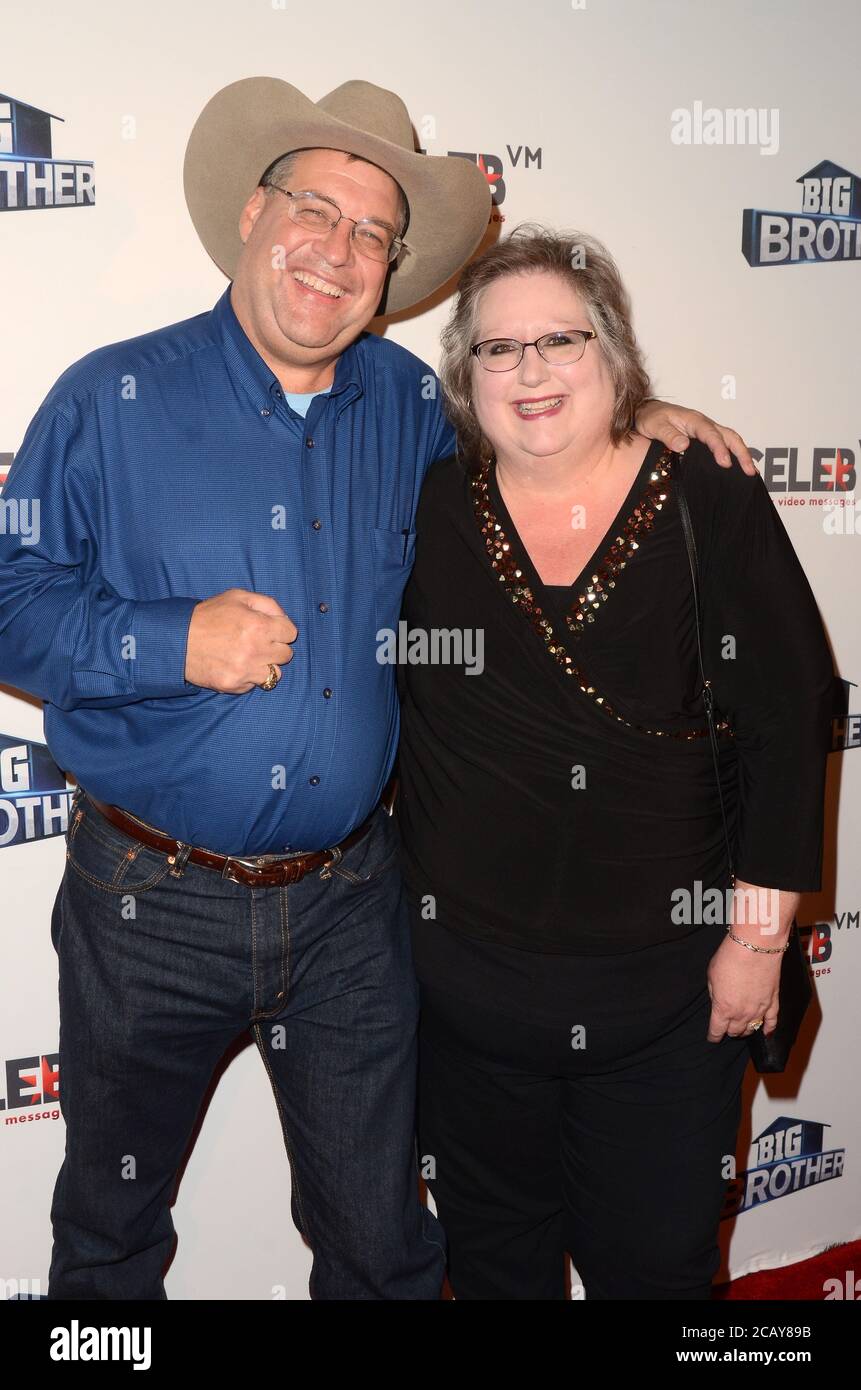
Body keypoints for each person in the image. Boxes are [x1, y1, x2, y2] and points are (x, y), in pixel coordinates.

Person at [0, 77, 753, 1301]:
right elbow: (8, 599)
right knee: (109, 1233)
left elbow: (534, 436)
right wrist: (164, 640)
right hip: (149, 901)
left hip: (352, 903)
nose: (338, 250)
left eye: (372, 232)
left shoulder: (411, 405)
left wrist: (626, 412)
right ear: (253, 213)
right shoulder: (110, 396)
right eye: (315, 208)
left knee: (383, 1245)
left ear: (392, 269)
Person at [396, 224, 834, 1300]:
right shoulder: (426, 503)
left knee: (656, 1269)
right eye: (499, 349)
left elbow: (789, 720)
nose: (531, 370)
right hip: (469, 999)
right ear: (466, 377)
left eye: (562, 339)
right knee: (494, 1265)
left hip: (669, 997)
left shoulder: (707, 496)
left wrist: (757, 939)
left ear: (615, 354)